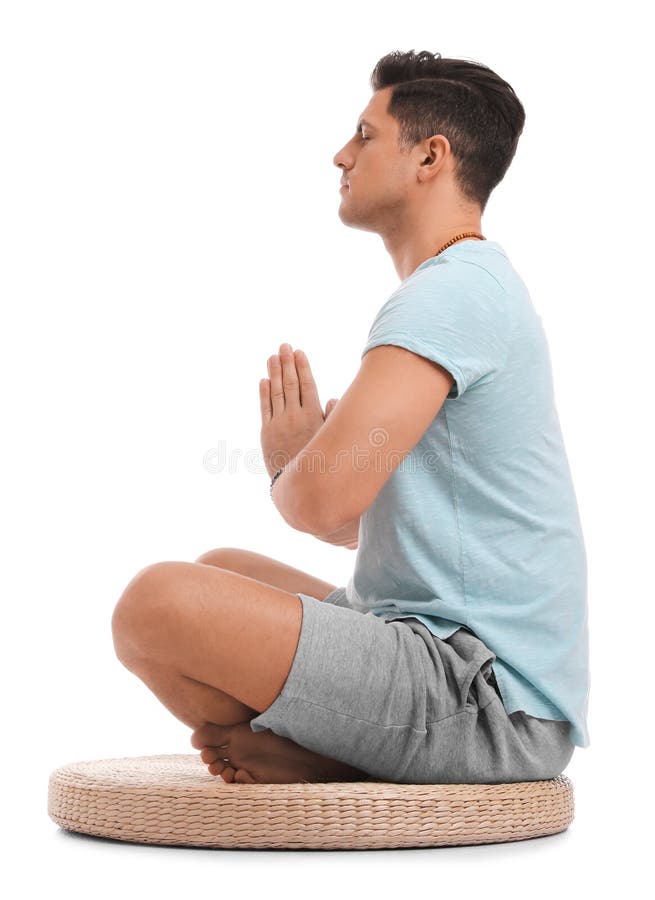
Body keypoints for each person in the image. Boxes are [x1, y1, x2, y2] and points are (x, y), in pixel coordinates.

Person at [112, 50, 589, 785]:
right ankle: (322, 751)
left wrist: (290, 466)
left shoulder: (449, 295)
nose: (341, 154)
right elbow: (372, 529)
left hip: (486, 700)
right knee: (219, 572)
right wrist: (306, 468)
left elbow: (319, 501)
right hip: (444, 656)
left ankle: (327, 757)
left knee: (154, 606)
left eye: (365, 135)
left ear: (431, 156)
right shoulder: (468, 286)